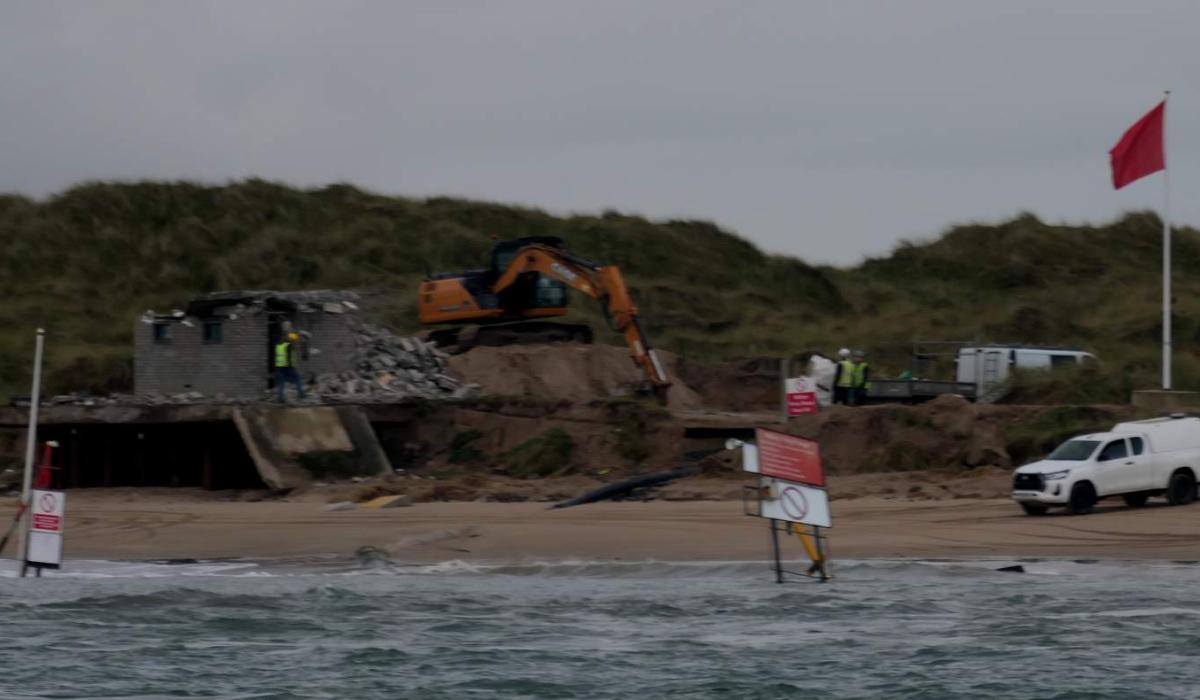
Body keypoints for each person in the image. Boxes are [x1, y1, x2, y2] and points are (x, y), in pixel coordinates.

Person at [274, 331, 307, 403]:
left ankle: (280, 398)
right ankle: (301, 394)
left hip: (279, 367)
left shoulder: (278, 345)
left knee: (280, 382)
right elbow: (294, 340)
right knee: (297, 378)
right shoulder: (288, 345)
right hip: (288, 366)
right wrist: (300, 335)